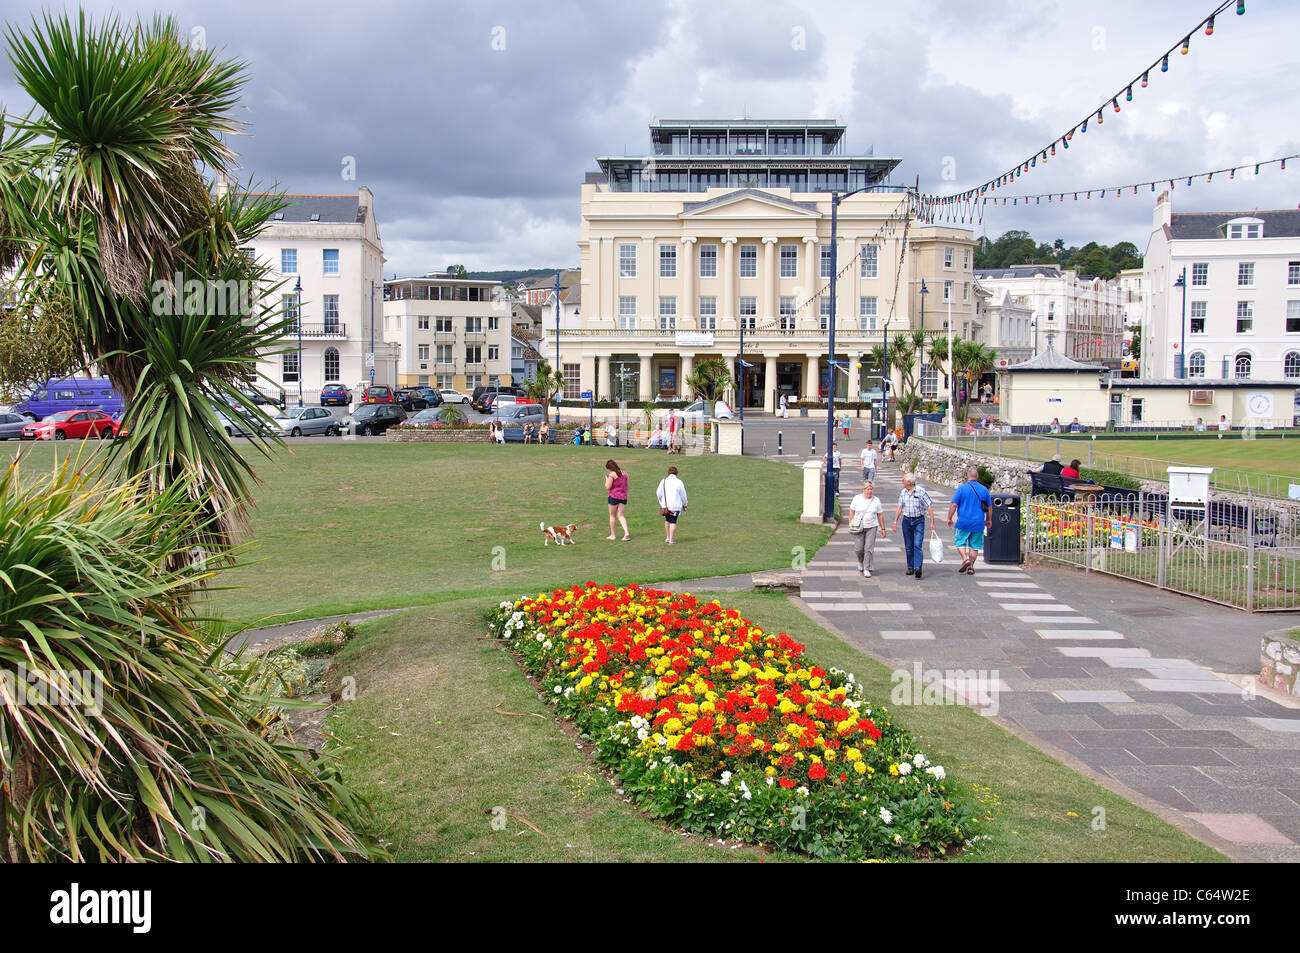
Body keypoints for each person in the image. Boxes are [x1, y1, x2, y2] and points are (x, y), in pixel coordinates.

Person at [947, 466, 992, 575]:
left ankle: (965, 559)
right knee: (975, 545)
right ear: (977, 477)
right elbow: (989, 507)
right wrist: (989, 520)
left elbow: (954, 505)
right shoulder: (984, 490)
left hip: (963, 522)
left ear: (967, 477)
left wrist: (949, 518)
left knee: (960, 542)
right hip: (978, 522)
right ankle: (971, 566)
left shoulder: (962, 489)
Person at [892, 473, 937, 580]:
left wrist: (932, 522)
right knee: (908, 546)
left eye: (903, 480)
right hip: (907, 520)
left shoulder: (920, 491)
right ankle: (910, 566)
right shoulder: (903, 492)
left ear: (909, 482)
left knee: (917, 544)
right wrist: (895, 521)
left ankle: (918, 568)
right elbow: (900, 507)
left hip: (919, 520)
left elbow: (929, 506)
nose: (902, 481)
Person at [848, 480, 887, 577]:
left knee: (869, 548)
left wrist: (883, 529)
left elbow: (880, 515)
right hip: (859, 527)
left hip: (872, 526)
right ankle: (860, 562)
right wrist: (850, 525)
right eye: (868, 489)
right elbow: (852, 512)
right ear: (863, 490)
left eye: (871, 489)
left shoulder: (876, 500)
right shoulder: (857, 499)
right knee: (858, 548)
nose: (870, 491)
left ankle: (867, 568)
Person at [655, 465, 687, 545]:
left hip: (665, 505)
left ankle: (667, 537)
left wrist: (661, 501)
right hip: (675, 506)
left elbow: (658, 492)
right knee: (673, 521)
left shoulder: (664, 480)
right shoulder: (679, 482)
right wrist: (685, 504)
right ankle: (671, 540)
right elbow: (683, 495)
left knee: (667, 520)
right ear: (676, 473)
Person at [605, 459, 630, 541]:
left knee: (612, 515)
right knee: (621, 515)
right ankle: (626, 532)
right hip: (623, 497)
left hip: (613, 497)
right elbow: (627, 486)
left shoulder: (612, 475)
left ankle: (613, 535)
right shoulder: (625, 473)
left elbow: (607, 487)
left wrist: (606, 479)